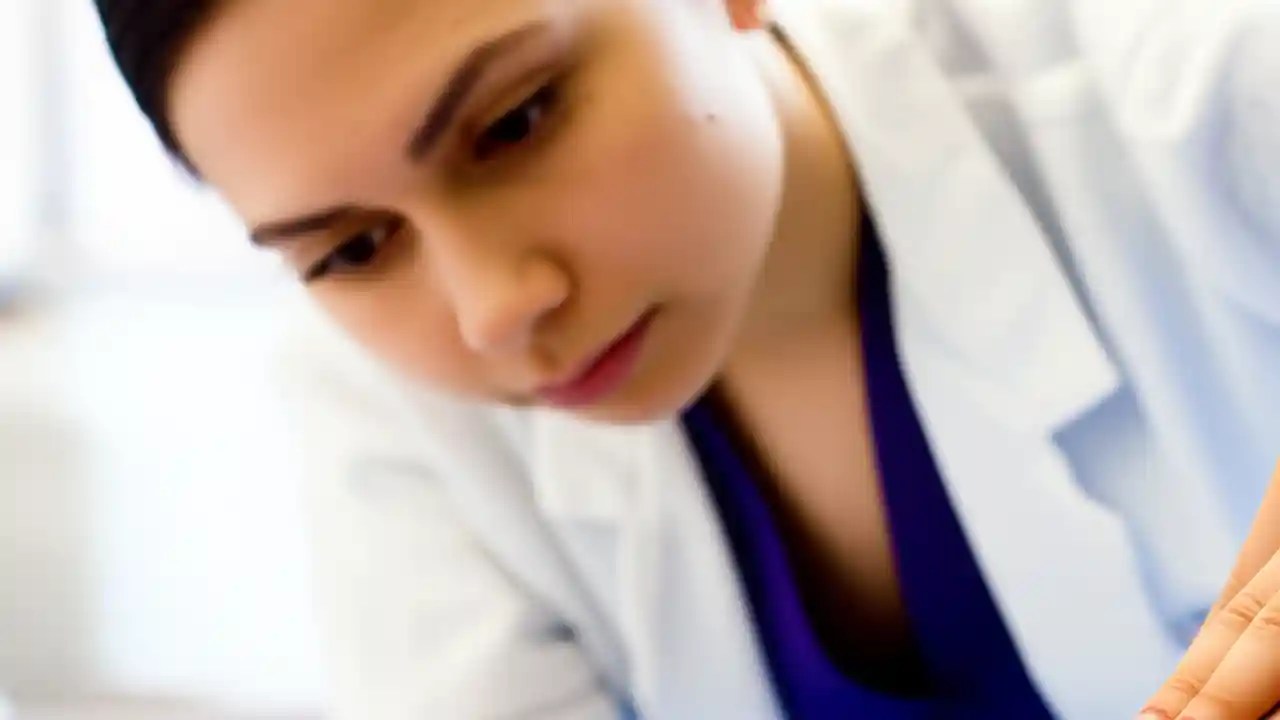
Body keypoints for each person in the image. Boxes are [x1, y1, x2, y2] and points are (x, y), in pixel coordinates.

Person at [92, 0, 1280, 717]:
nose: (494, 309)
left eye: (514, 121)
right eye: (348, 248)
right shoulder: (384, 414)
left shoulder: (1177, 87)